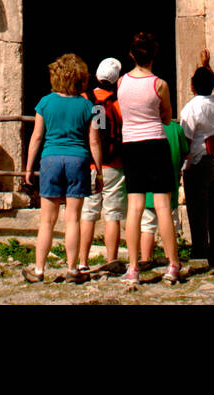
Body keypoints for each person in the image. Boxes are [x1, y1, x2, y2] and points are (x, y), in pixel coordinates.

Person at [22, 53, 104, 284]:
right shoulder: (89, 105)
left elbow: (37, 137)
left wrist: (29, 167)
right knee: (73, 219)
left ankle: (38, 270)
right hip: (78, 160)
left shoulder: (45, 102)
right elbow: (94, 141)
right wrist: (98, 170)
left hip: (50, 160)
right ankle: (72, 269)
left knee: (47, 220)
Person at [117, 31, 180, 284]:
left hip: (131, 145)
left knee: (134, 208)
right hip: (155, 143)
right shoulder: (160, 84)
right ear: (154, 55)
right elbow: (167, 116)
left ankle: (133, 267)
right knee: (163, 207)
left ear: (132, 55)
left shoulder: (121, 83)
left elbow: (124, 113)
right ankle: (173, 264)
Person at [180, 50, 214, 274]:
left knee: (197, 210)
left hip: (199, 162)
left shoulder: (191, 108)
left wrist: (181, 164)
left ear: (192, 87)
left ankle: (200, 251)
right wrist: (208, 66)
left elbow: (186, 140)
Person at [79, 56, 126, 274]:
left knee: (88, 213)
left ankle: (82, 261)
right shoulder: (119, 103)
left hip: (88, 165)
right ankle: (112, 259)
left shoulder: (83, 100)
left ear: (95, 77)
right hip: (114, 164)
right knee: (112, 215)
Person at [139, 119, 189, 268]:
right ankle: (171, 258)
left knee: (147, 226)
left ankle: (146, 259)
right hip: (169, 186)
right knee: (170, 224)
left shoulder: (144, 127)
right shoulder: (176, 129)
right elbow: (184, 154)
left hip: (147, 189)